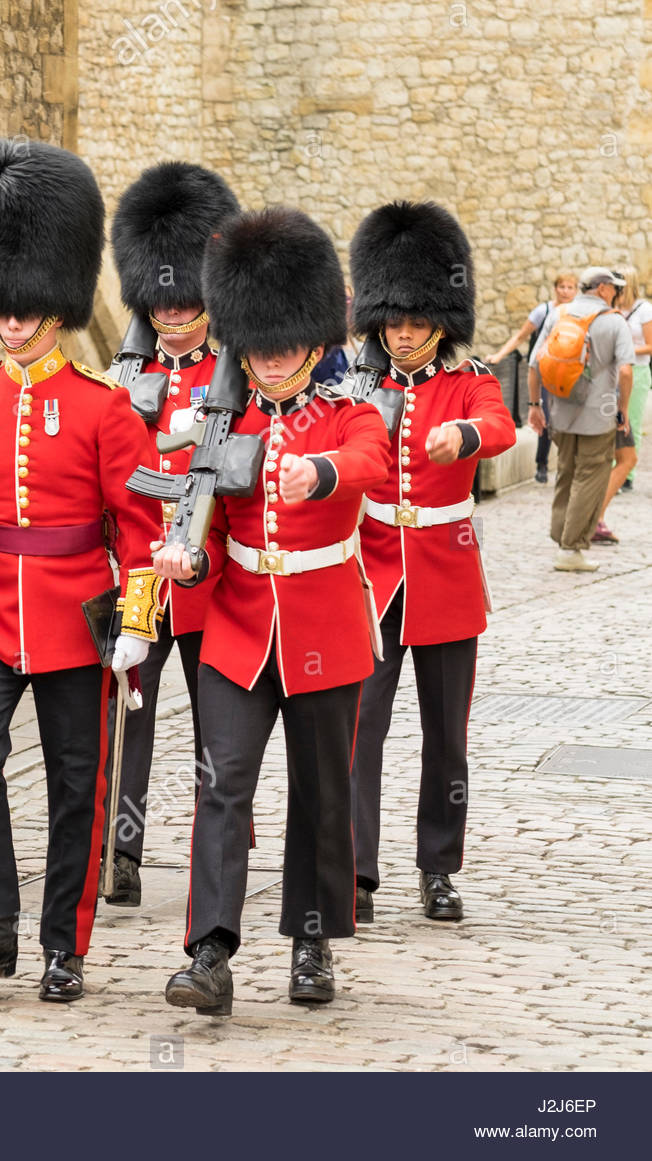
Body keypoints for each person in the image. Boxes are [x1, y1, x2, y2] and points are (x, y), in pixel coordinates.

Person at [0, 139, 163, 1003]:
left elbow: (140, 530)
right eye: (0, 309)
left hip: (74, 613)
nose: (10, 323)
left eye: (25, 308)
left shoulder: (104, 407)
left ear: (52, 304)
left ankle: (64, 942)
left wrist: (133, 620)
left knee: (75, 784)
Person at [153, 207, 390, 1016]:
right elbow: (208, 532)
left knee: (320, 789)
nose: (274, 356)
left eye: (287, 341)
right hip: (240, 627)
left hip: (324, 621)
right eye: (260, 342)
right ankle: (210, 951)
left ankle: (312, 940)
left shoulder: (348, 405)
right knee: (221, 785)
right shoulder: (227, 419)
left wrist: (318, 475)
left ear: (314, 333)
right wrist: (187, 562)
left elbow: (370, 457)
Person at [346, 201, 517, 925]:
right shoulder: (362, 383)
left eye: (417, 321)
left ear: (442, 320)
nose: (405, 332)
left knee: (447, 736)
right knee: (361, 726)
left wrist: (465, 436)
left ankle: (438, 868)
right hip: (375, 570)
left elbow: (500, 424)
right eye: (395, 320)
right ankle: (353, 868)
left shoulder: (467, 379)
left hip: (445, 571)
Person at [101, 160, 240, 907]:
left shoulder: (234, 374)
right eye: (163, 301)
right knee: (131, 715)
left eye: (187, 300)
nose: (174, 313)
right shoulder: (124, 377)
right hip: (141, 570)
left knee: (220, 721)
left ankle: (223, 843)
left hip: (209, 570)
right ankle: (121, 850)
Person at [528, 267, 634, 572]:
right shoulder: (614, 321)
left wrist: (535, 405)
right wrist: (623, 409)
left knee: (566, 471)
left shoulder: (558, 314)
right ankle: (570, 548)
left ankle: (560, 533)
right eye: (615, 288)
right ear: (602, 289)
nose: (617, 294)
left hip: (560, 413)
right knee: (591, 477)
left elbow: (534, 364)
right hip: (598, 416)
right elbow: (626, 371)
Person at [487, 271, 578, 484]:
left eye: (570, 287)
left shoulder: (578, 312)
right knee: (544, 417)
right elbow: (521, 336)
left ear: (576, 290)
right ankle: (542, 464)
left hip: (569, 374)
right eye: (562, 287)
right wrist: (499, 356)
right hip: (546, 373)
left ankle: (569, 464)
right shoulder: (543, 311)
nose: (565, 291)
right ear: (555, 288)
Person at [593, 273, 651, 540]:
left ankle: (591, 519)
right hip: (613, 384)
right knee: (623, 456)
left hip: (626, 379)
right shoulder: (607, 314)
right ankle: (594, 519)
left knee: (624, 451)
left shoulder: (641, 310)